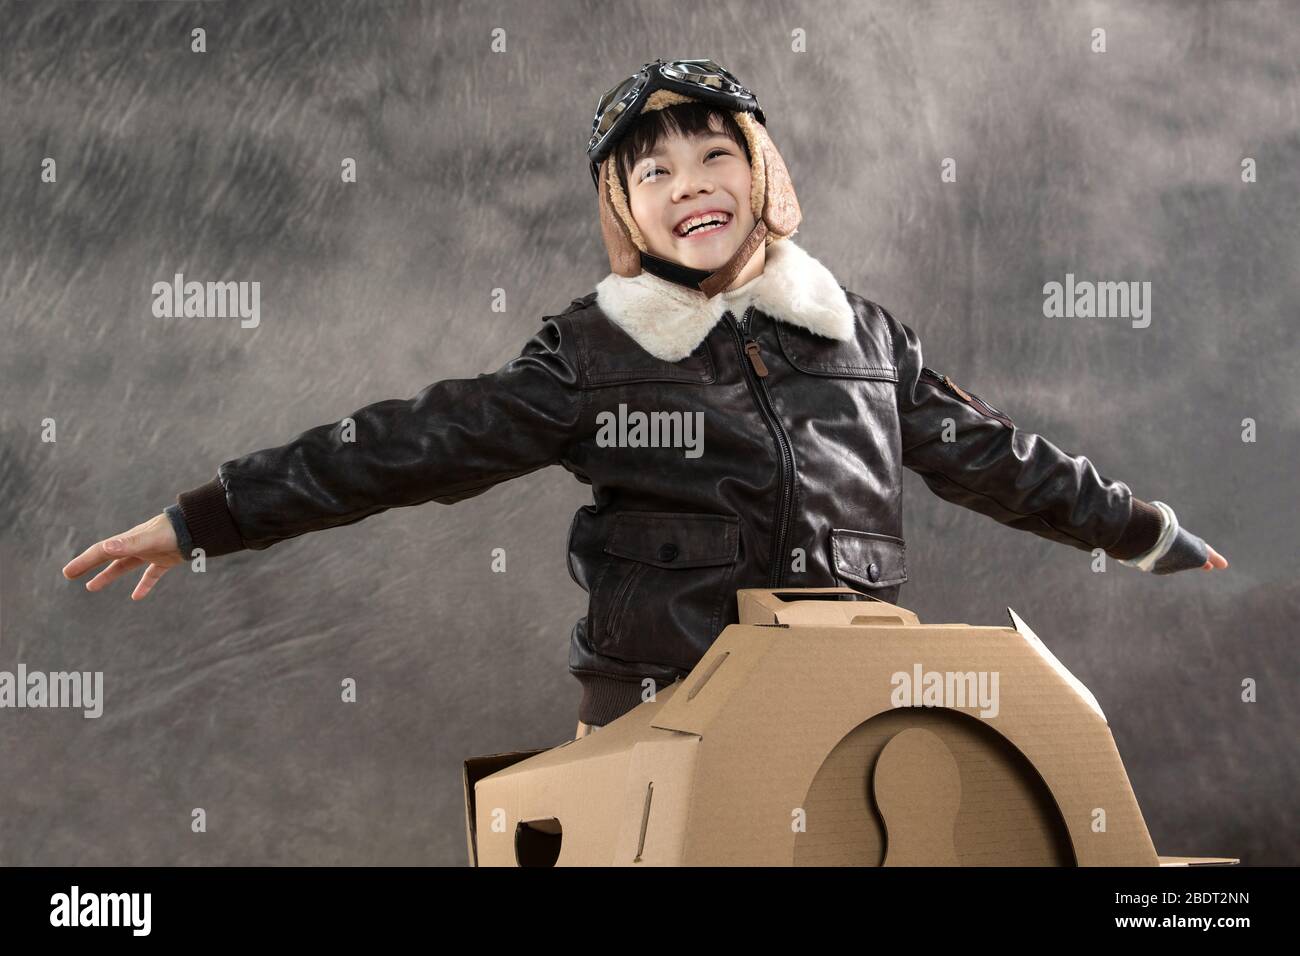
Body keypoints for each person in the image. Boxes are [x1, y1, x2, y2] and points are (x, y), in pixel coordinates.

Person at [62, 58, 1227, 736]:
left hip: (848, 700)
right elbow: (402, 446)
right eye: (652, 170)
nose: (690, 185)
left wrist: (1143, 530)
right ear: (626, 208)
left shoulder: (863, 337)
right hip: (667, 710)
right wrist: (205, 516)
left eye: (714, 154)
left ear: (759, 170)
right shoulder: (591, 355)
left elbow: (996, 459)